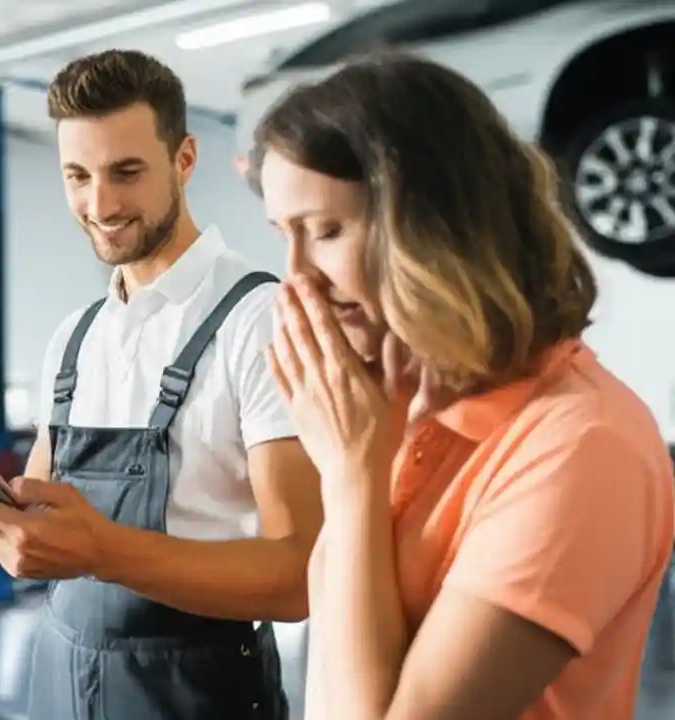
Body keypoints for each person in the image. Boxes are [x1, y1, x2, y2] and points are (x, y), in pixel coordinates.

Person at [246, 52, 675, 719]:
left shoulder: (582, 445)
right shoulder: (394, 408)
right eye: (284, 237)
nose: (296, 276)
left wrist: (354, 479)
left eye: (326, 232)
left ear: (435, 229)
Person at [0, 48, 322, 719]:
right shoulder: (75, 338)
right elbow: (45, 509)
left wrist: (103, 551)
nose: (99, 203)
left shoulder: (261, 320)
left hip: (197, 692)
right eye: (77, 175)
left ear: (185, 159)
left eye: (126, 172)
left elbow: (297, 576)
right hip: (60, 673)